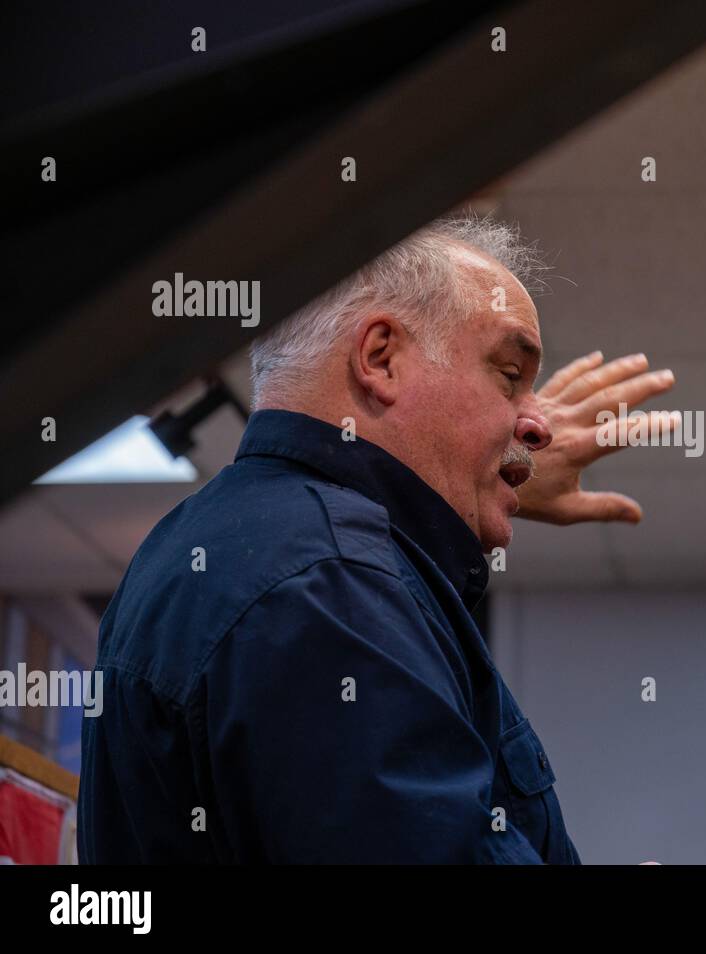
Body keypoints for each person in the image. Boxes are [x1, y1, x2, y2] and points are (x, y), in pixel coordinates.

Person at [78, 217, 675, 863]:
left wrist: (481, 479)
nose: (538, 425)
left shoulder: (238, 541)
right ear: (380, 358)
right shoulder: (330, 585)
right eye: (508, 374)